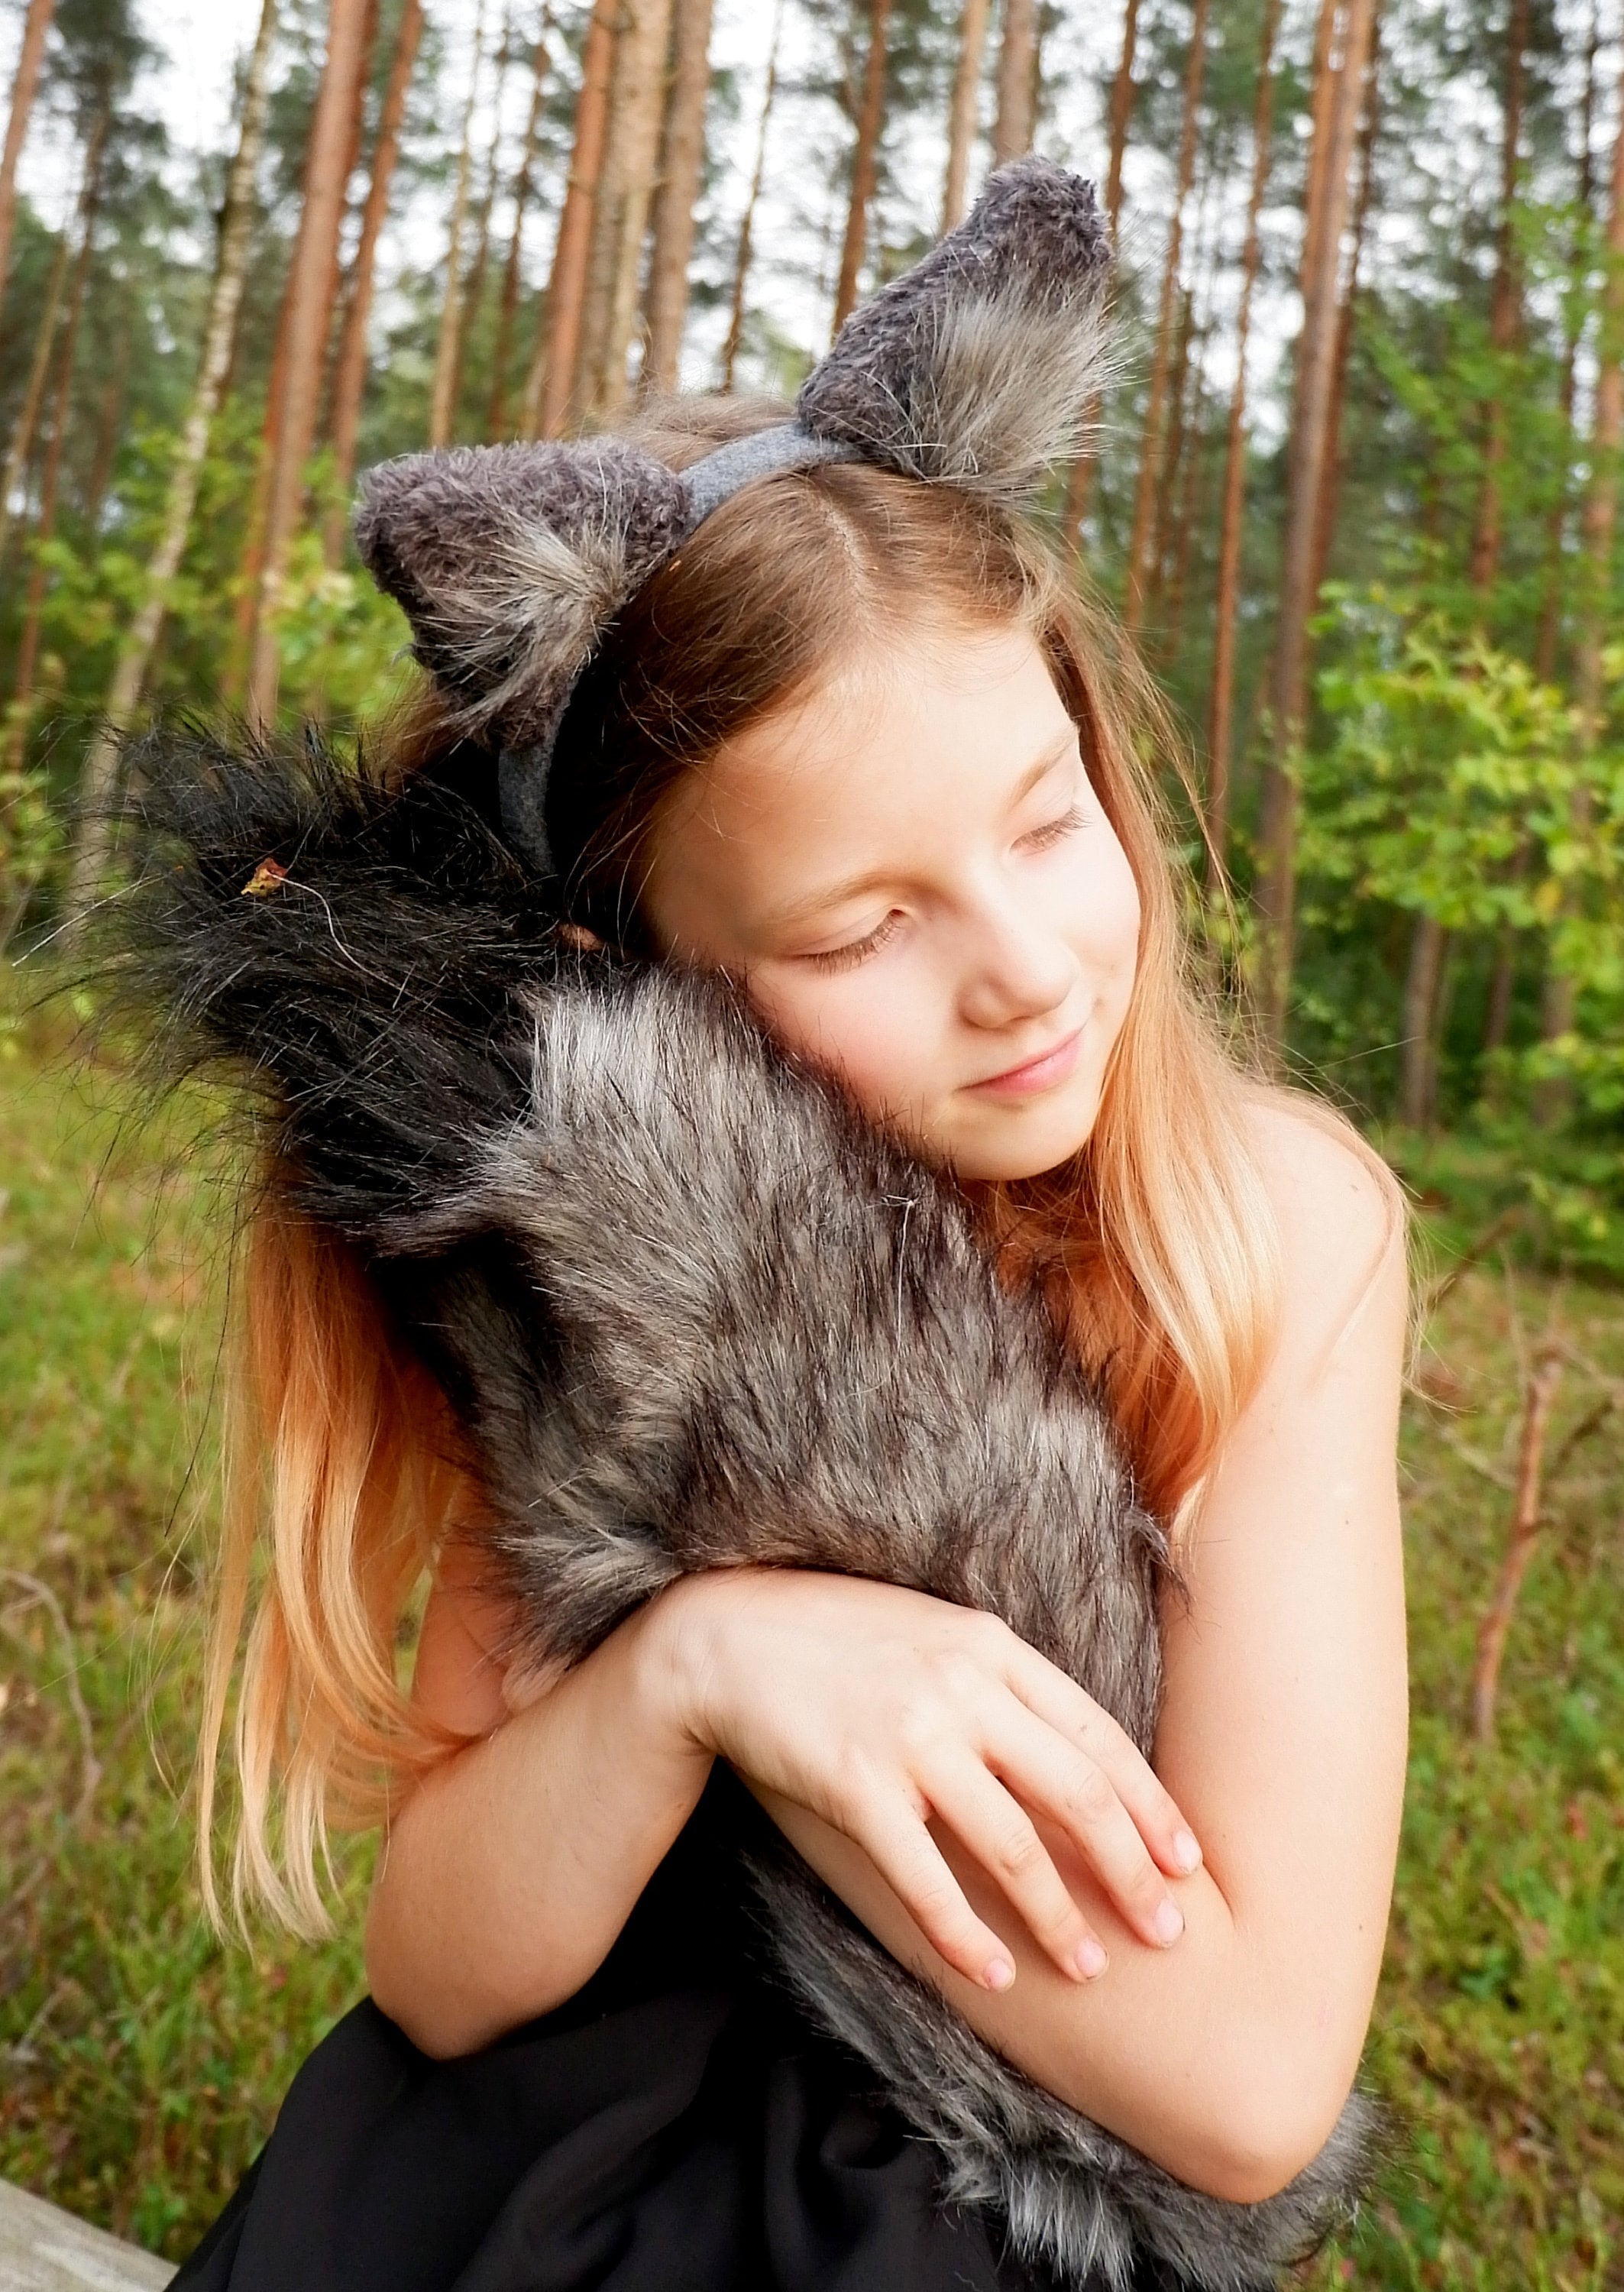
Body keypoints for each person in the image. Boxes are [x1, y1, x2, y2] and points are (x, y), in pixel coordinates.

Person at [127, 162, 1408, 2292]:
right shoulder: (600, 1250)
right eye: (867, 922)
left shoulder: (1270, 1233)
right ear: (648, 982)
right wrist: (708, 1674)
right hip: (516, 2189)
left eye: (1046, 819)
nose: (1022, 969)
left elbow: (1255, 2084)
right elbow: (439, 1978)